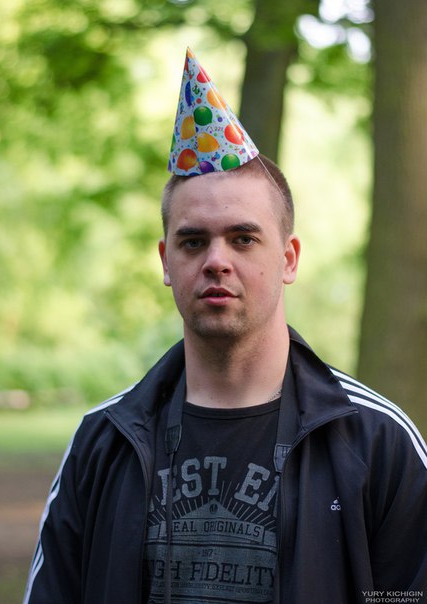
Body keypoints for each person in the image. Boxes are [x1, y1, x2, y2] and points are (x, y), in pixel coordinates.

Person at [23, 51, 427, 604]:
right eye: (193, 241)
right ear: (166, 261)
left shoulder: (377, 442)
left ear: (288, 258)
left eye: (243, 238)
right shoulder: (103, 441)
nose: (217, 261)